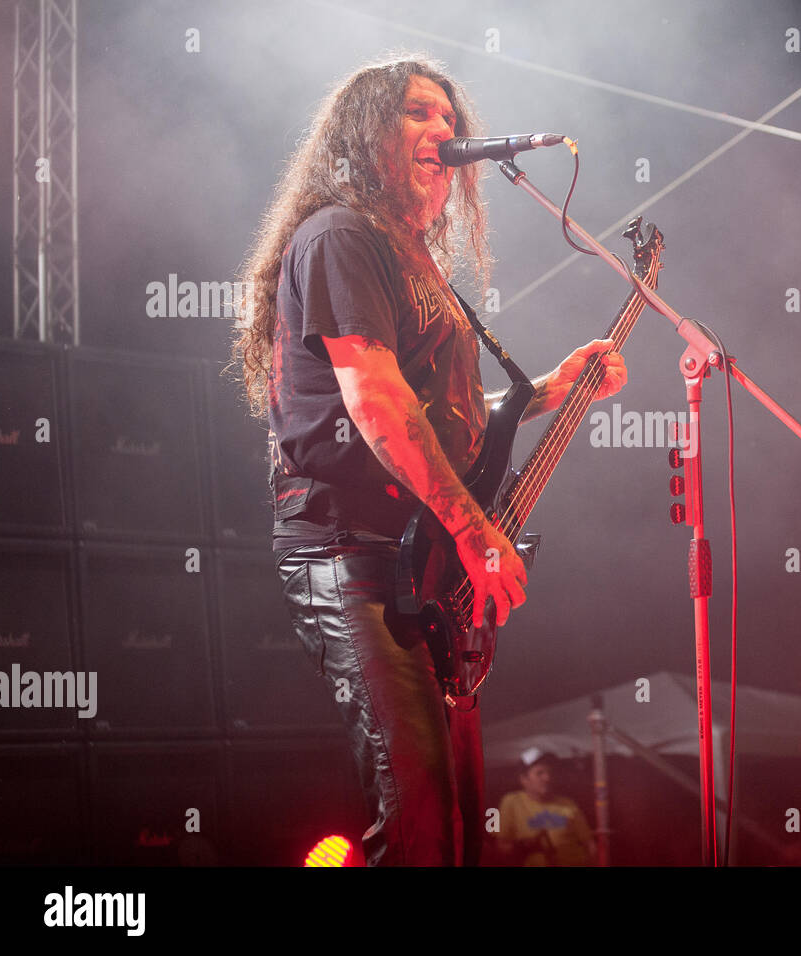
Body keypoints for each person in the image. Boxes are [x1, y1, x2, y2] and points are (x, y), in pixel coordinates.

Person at [231, 55, 626, 865]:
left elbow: (435, 420)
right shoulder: (340, 234)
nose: (443, 131)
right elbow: (376, 406)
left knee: (452, 826)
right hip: (350, 553)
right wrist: (479, 534)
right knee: (417, 818)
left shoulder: (419, 265)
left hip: (418, 558)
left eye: (449, 119)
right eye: (416, 114)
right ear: (363, 134)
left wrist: (544, 392)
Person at [498, 749, 596, 866]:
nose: (547, 778)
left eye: (550, 772)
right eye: (540, 773)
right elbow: (501, 847)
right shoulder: (512, 802)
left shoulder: (568, 804)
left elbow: (590, 843)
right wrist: (522, 846)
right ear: (524, 779)